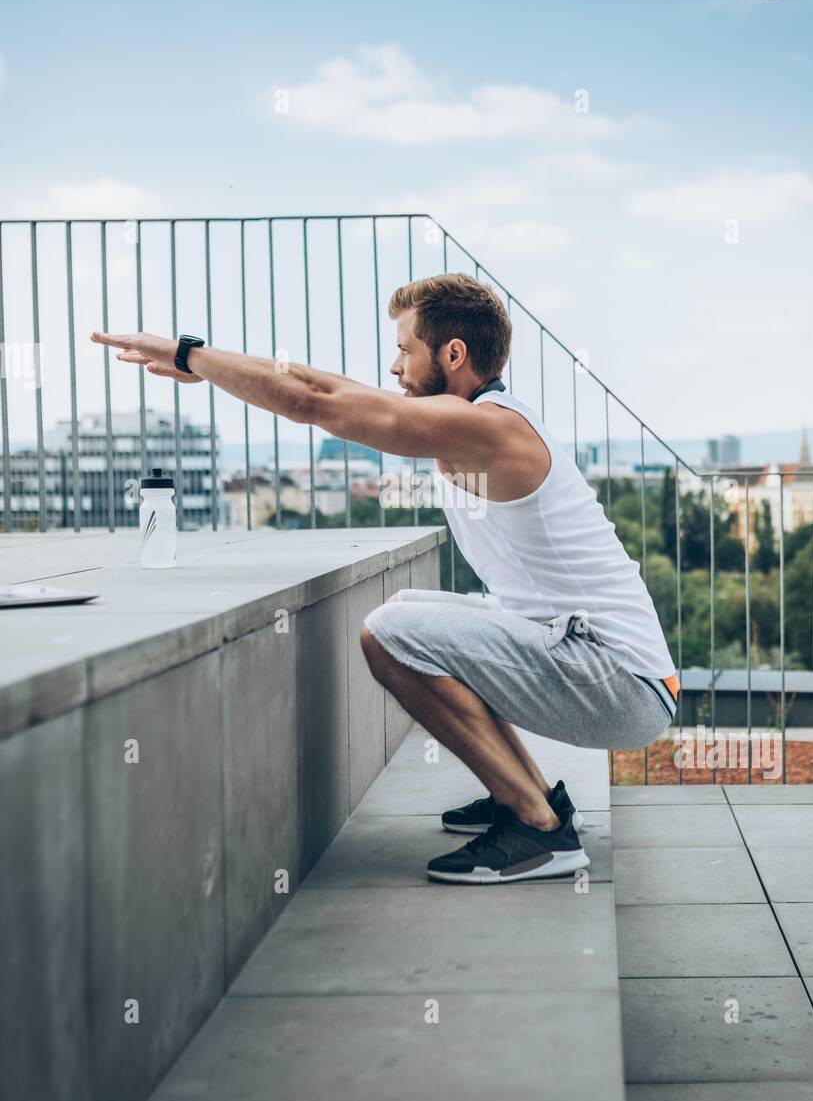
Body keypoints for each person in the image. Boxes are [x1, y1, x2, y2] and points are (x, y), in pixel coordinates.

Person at [92, 271, 678, 885]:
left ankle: (538, 830)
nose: (395, 368)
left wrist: (191, 354)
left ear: (453, 354)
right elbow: (324, 386)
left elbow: (314, 406)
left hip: (620, 684)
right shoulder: (471, 415)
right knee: (412, 607)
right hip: (597, 663)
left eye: (405, 350)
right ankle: (525, 795)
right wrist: (206, 363)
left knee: (390, 632)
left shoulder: (489, 427)